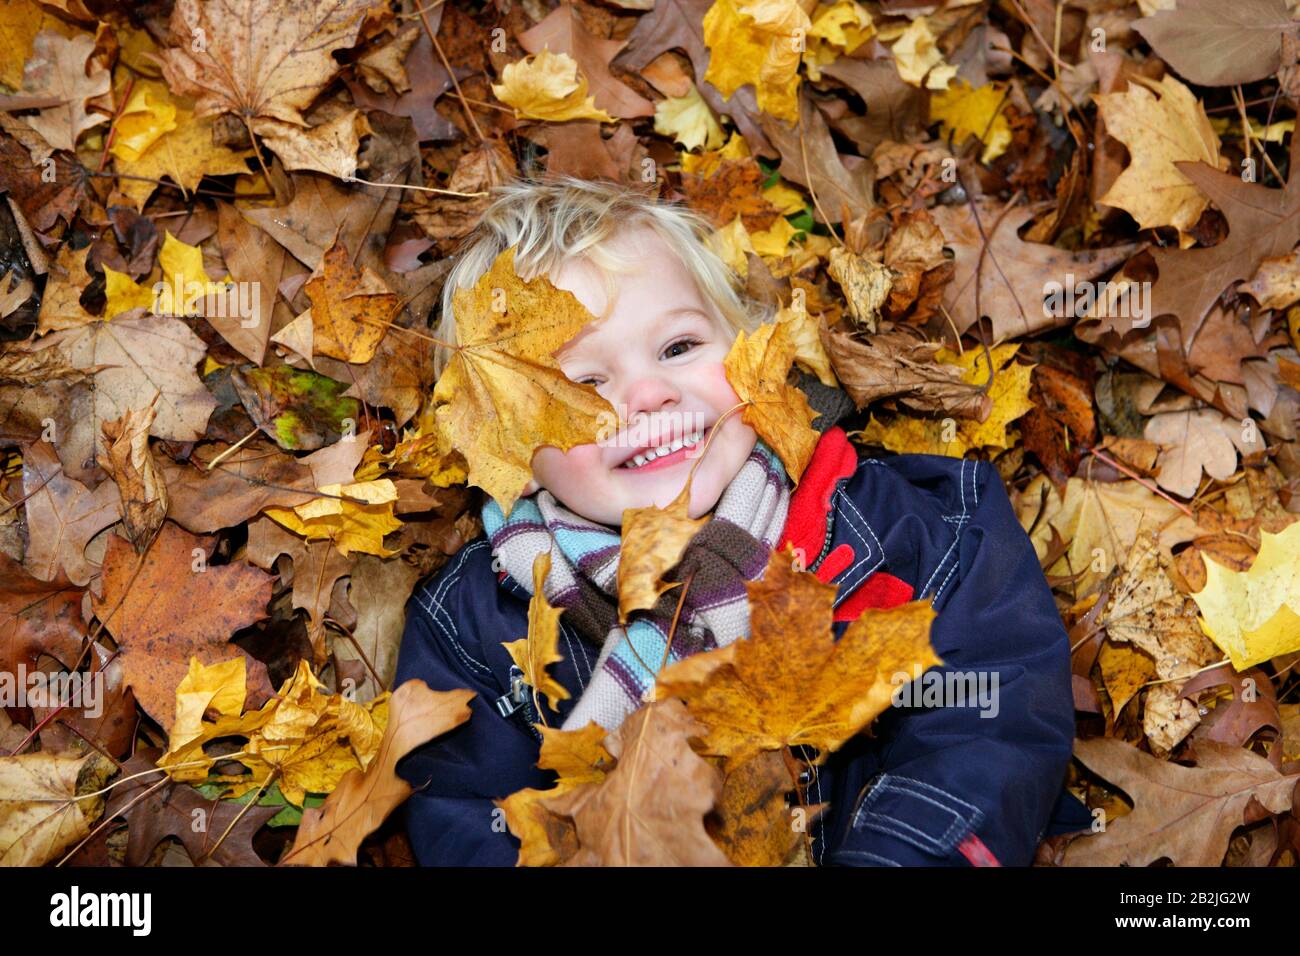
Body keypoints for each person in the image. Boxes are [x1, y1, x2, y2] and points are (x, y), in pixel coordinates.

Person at [393, 174, 1083, 866]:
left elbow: (990, 712)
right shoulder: (477, 625)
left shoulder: (896, 529)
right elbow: (464, 814)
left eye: (678, 348)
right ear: (505, 443)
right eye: (580, 384)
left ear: (752, 353)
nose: (648, 395)